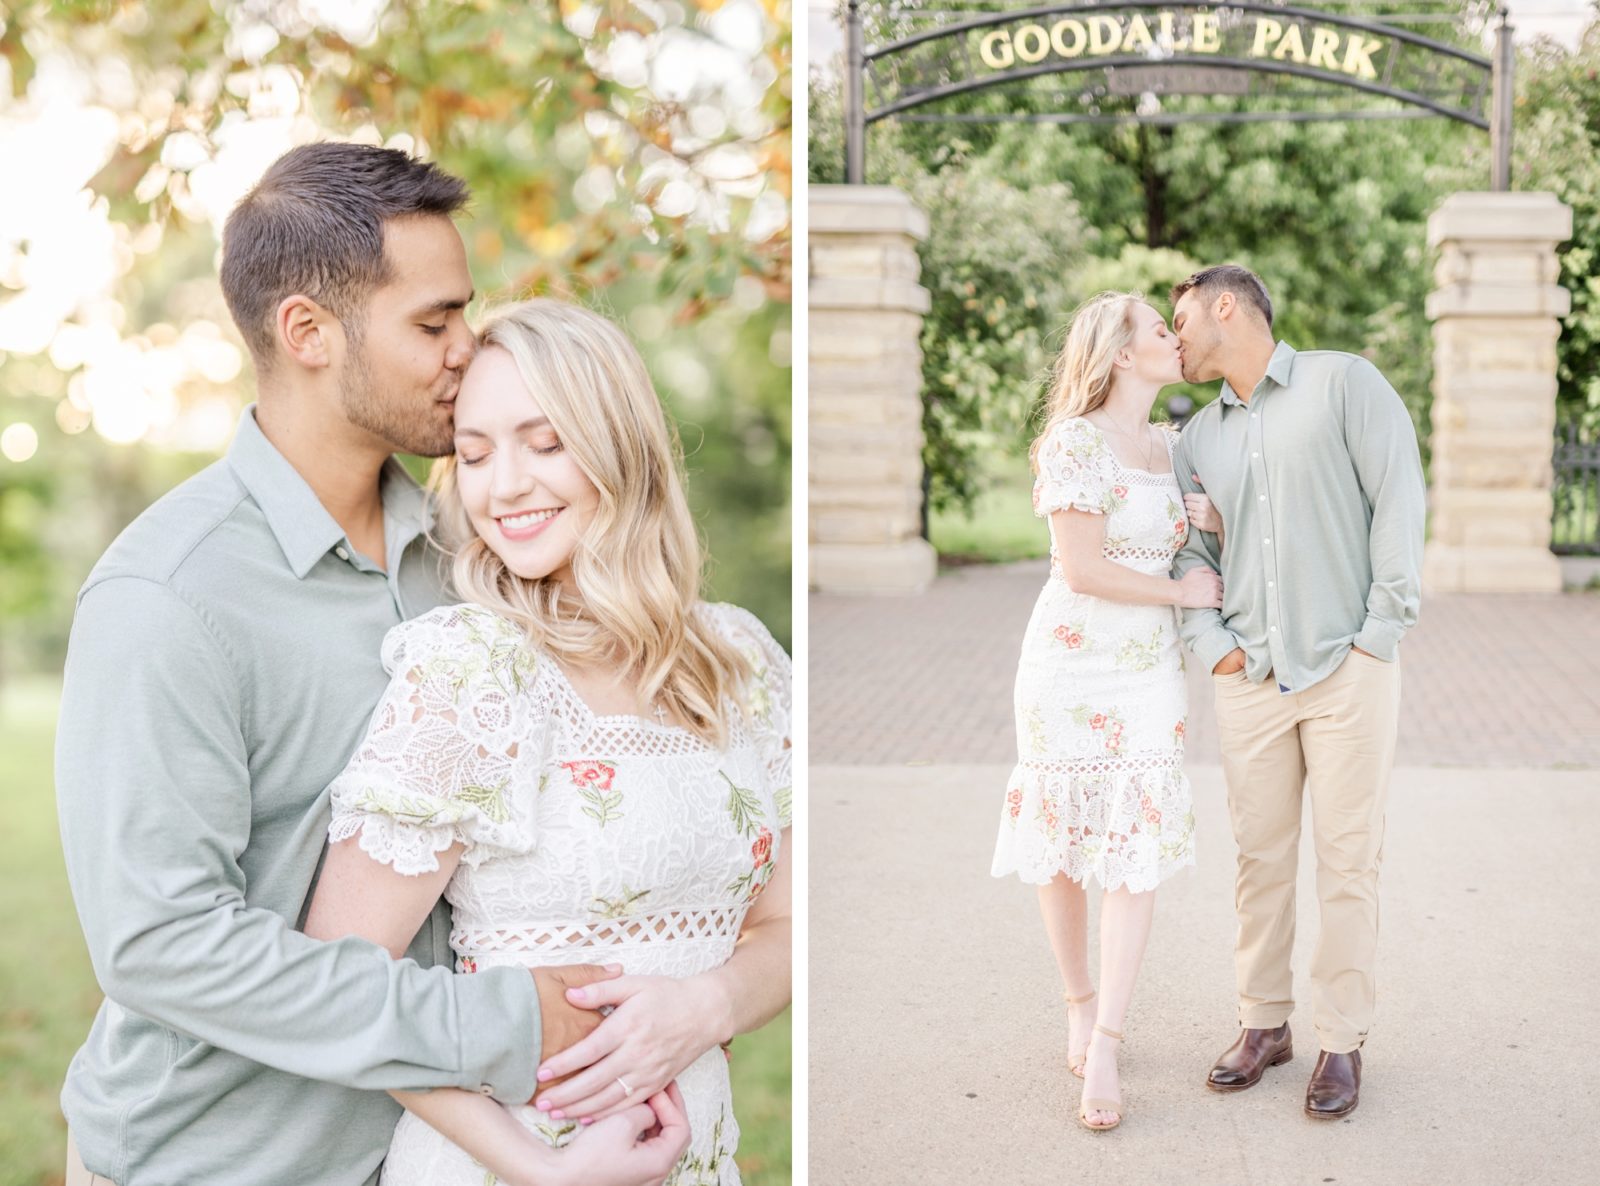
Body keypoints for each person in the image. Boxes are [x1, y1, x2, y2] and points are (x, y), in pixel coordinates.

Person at [54, 143, 684, 1186]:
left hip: (429, 1154)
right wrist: (505, 1020)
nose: (464, 347)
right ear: (306, 332)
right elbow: (160, 942)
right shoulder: (167, 598)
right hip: (212, 1161)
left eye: (463, 313)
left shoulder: (476, 556)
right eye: (432, 323)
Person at [301, 298, 793, 1184]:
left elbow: (792, 923)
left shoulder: (739, 658)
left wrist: (707, 1004)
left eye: (545, 442)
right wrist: (539, 1168)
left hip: (697, 1153)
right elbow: (338, 986)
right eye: (476, 454)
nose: (504, 485)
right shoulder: (474, 670)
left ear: (620, 445)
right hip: (510, 1164)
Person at [1169, 264, 1424, 1120]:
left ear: (1226, 306)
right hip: (1251, 680)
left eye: (1182, 319)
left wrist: (1378, 636)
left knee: (1349, 863)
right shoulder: (1195, 438)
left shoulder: (1345, 383)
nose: (1176, 339)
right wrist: (1215, 653)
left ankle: (1342, 1040)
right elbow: (1190, 558)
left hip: (1347, 671)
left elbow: (1398, 501)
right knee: (1260, 861)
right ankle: (1262, 1024)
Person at [991, 292, 1223, 1132]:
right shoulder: (1075, 442)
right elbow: (1081, 568)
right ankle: (1078, 1001)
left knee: (1134, 848)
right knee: (1059, 839)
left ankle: (1112, 1043)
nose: (1176, 336)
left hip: (1149, 674)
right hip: (1068, 664)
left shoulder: (1171, 445)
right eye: (1161, 329)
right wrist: (1179, 587)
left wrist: (1211, 519)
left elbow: (1204, 539)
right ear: (1123, 354)